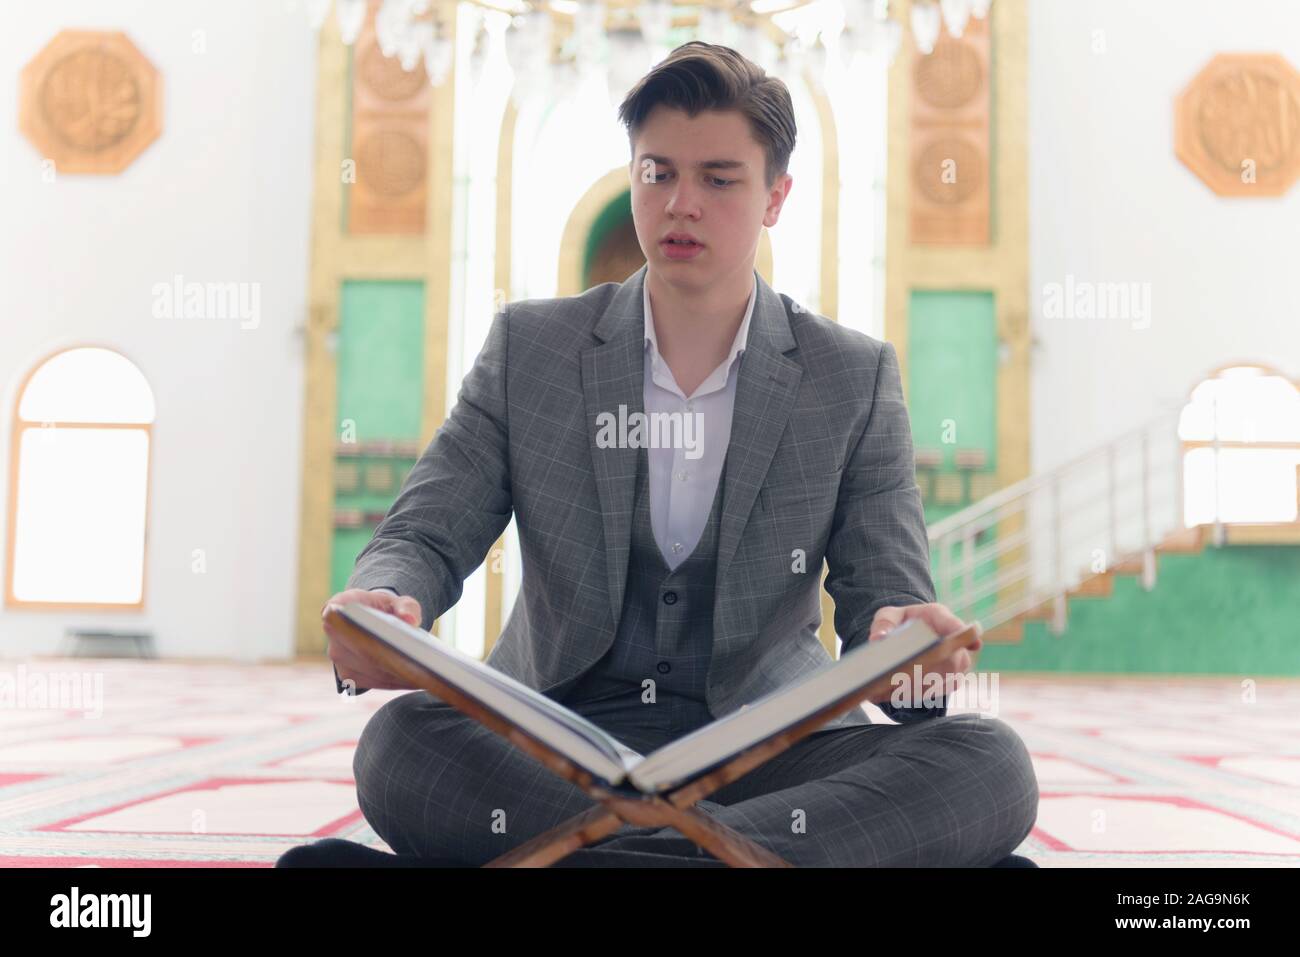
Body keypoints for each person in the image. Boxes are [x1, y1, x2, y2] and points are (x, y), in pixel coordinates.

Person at [307, 41, 1038, 868]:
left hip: (771, 758)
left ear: (776, 198)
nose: (680, 203)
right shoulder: (532, 348)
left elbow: (890, 606)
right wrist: (385, 599)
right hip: (554, 741)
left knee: (989, 765)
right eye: (658, 173)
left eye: (719, 179)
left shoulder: (852, 376)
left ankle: (610, 857)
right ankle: (716, 859)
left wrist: (910, 652)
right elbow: (428, 532)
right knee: (402, 744)